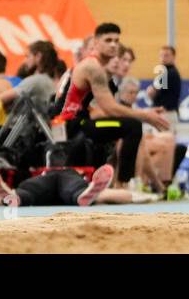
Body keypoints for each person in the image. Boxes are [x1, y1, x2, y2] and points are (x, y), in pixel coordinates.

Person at [59, 23, 170, 185]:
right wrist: (144, 115)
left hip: (82, 120)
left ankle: (125, 182)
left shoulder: (100, 69)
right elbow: (109, 107)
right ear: (96, 42)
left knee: (129, 126)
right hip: (73, 125)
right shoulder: (93, 67)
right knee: (132, 126)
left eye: (116, 41)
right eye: (108, 40)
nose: (113, 45)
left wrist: (144, 113)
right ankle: (124, 184)